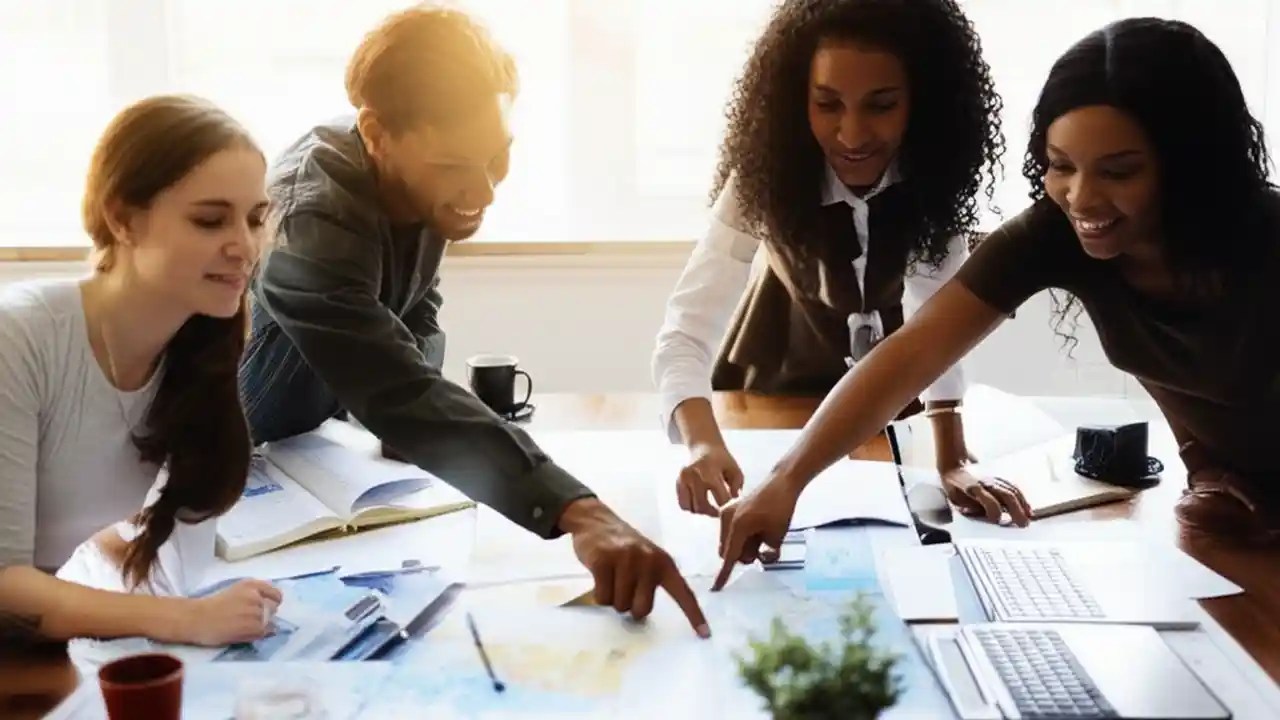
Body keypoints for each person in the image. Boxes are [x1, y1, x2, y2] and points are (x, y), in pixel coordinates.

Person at [712, 16, 1280, 586]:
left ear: (1190, 166)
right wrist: (784, 479)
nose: (1080, 197)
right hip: (1243, 517)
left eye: (1119, 170)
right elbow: (911, 354)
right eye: (1061, 166)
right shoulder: (1058, 235)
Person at [238, 5, 709, 636]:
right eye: (454, 166)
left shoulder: (413, 176)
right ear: (375, 132)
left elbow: (415, 309)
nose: (484, 191)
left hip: (306, 455)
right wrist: (579, 510)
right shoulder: (311, 222)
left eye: (496, 159)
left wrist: (421, 426)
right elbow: (394, 383)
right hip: (216, 462)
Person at [652, 0, 1031, 525]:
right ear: (794, 99)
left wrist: (951, 457)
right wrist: (700, 444)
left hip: (888, 400)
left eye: (880, 106)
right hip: (772, 392)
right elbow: (684, 332)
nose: (852, 136)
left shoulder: (933, 179)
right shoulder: (764, 179)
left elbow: (938, 315)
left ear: (920, 101)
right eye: (827, 105)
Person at [0, 95, 282, 647]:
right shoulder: (20, 338)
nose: (245, 247)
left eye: (255, 219)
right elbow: (5, 585)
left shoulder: (196, 342)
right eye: (210, 219)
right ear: (123, 219)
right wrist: (187, 620)